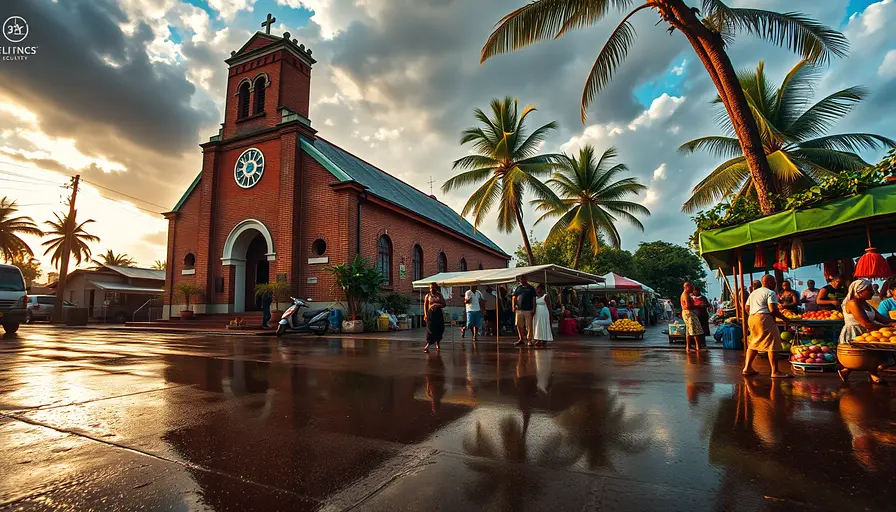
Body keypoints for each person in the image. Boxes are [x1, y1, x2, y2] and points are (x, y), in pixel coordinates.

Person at [838, 279, 896, 384]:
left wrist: (892, 323)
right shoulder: (853, 303)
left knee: (871, 354)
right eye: (869, 290)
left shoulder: (866, 304)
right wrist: (886, 327)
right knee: (860, 356)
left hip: (867, 331)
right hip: (855, 332)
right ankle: (872, 374)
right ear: (859, 291)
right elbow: (865, 323)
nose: (873, 292)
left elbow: (882, 319)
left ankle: (850, 372)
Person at [743, 275, 792, 379]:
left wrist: (754, 314)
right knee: (772, 344)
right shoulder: (770, 293)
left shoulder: (754, 293)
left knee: (754, 343)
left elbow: (746, 307)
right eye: (774, 282)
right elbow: (772, 310)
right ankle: (775, 371)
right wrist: (784, 318)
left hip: (752, 318)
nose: (775, 284)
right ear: (770, 282)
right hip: (764, 318)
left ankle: (747, 368)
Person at [513, 276, 537, 346]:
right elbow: (514, 297)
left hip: (528, 309)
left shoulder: (531, 288)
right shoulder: (518, 288)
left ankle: (529, 340)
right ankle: (521, 339)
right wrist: (513, 306)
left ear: (526, 279)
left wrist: (534, 309)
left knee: (529, 326)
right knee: (518, 324)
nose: (522, 281)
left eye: (523, 279)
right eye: (521, 279)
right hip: (519, 309)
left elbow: (534, 299)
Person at [680, 282, 704, 352]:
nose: (692, 289)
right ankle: (698, 346)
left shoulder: (687, 295)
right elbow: (688, 306)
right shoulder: (685, 295)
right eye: (691, 287)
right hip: (689, 313)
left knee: (689, 330)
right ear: (687, 287)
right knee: (695, 329)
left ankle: (689, 346)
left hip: (688, 312)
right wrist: (698, 305)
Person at [423, 283, 446, 353]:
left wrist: (436, 304)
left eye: (433, 287)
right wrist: (425, 315)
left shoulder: (439, 295)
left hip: (438, 314)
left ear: (436, 288)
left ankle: (437, 343)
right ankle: (428, 345)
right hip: (430, 314)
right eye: (431, 288)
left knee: (439, 329)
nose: (432, 289)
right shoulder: (428, 296)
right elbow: (425, 306)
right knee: (430, 329)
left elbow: (444, 304)